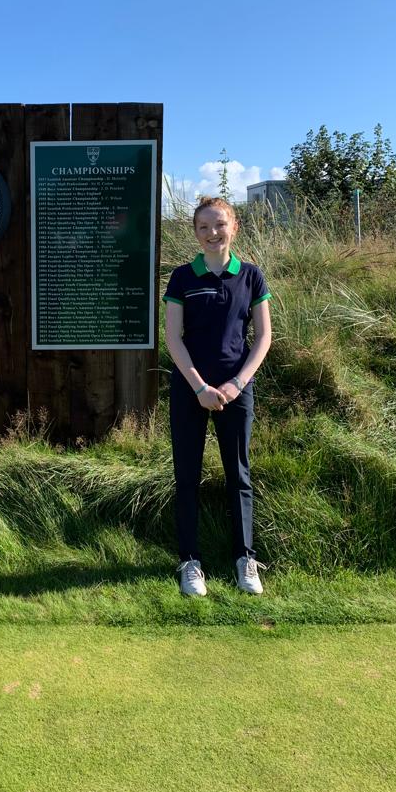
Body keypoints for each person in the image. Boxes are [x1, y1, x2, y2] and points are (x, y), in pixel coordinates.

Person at [164, 197, 272, 597]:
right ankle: (190, 561)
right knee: (187, 476)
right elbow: (173, 338)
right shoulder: (182, 278)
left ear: (234, 227)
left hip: (235, 390)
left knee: (238, 475)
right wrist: (199, 387)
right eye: (204, 227)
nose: (213, 233)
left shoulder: (251, 276)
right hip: (190, 389)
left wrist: (236, 384)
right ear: (196, 233)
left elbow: (263, 338)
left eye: (220, 225)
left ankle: (245, 558)